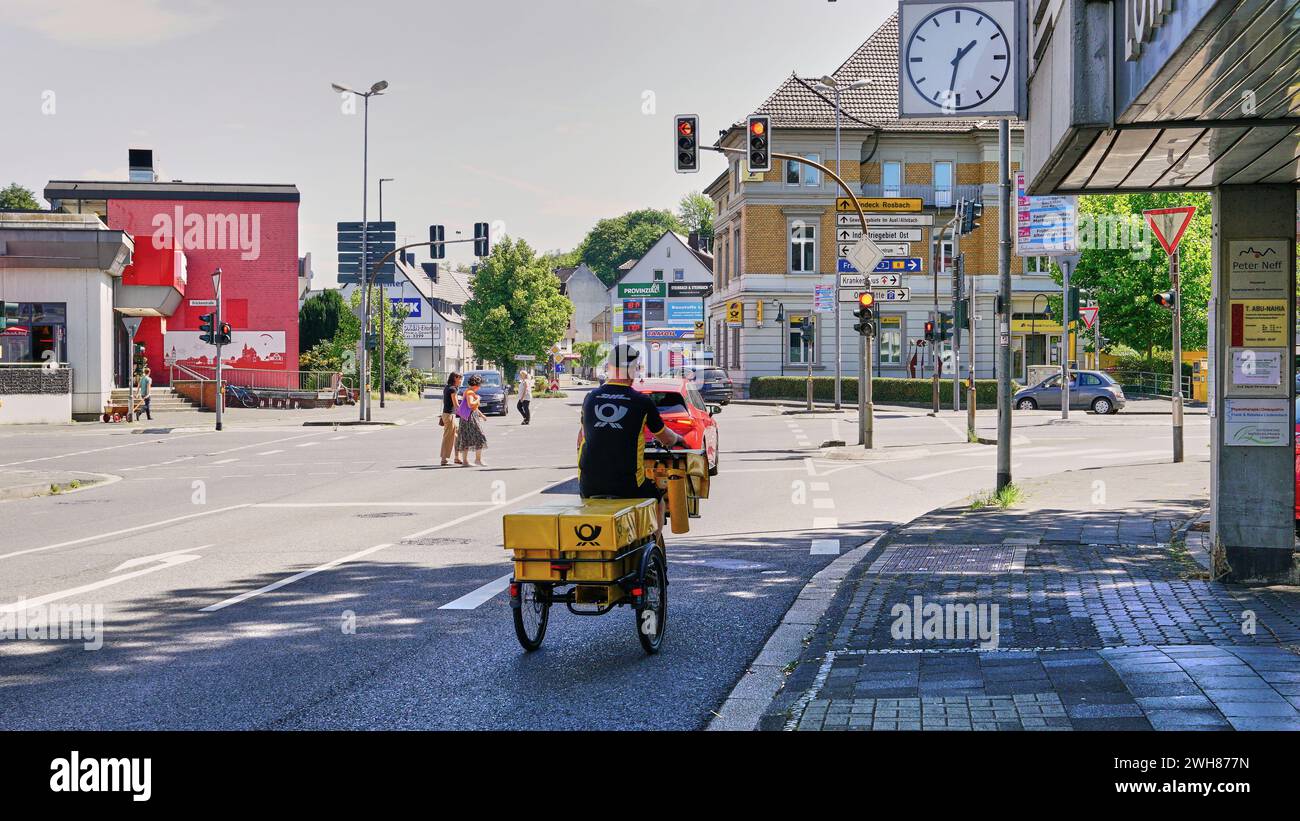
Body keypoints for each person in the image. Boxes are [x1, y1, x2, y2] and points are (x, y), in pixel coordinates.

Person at [577, 344, 683, 528]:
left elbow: (584, 435)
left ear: (609, 368)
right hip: (627, 485)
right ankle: (654, 551)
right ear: (633, 369)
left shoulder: (590, 398)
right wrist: (679, 439)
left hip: (588, 484)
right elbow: (665, 438)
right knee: (658, 501)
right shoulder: (641, 402)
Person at [455, 374, 488, 466]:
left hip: (466, 417)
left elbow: (473, 408)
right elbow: (470, 405)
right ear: (476, 385)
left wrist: (481, 415)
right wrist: (477, 399)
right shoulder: (470, 392)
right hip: (470, 418)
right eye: (480, 385)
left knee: (465, 438)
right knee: (479, 436)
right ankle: (478, 460)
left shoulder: (468, 391)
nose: (480, 387)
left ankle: (465, 461)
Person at [439, 372, 462, 466]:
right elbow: (456, 405)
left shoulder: (447, 387)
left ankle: (457, 457)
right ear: (455, 378)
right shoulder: (453, 389)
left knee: (456, 436)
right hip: (449, 415)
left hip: (447, 414)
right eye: (459, 378)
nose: (460, 381)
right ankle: (443, 459)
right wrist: (466, 413)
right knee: (448, 438)